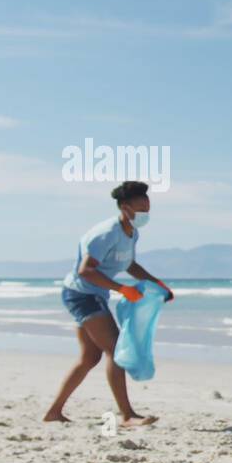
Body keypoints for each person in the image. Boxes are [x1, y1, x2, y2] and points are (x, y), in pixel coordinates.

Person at [43, 181, 173, 425]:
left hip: (94, 295)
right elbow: (86, 271)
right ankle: (127, 415)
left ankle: (54, 413)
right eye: (141, 209)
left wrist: (158, 284)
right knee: (116, 351)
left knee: (90, 358)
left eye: (148, 208)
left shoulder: (132, 233)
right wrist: (122, 289)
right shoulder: (106, 234)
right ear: (125, 208)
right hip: (82, 294)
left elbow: (129, 265)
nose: (146, 214)